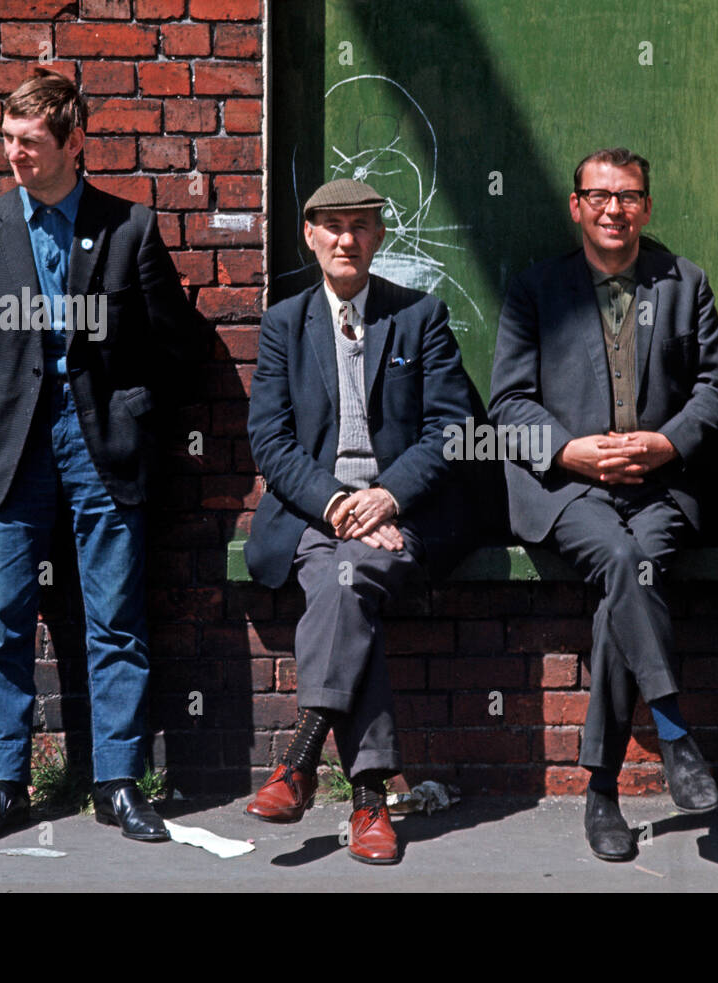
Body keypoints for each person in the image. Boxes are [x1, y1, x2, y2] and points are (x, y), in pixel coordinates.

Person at [0, 69, 212, 847]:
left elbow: (174, 349)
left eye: (30, 143)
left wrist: (133, 409)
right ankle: (0, 784)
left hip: (102, 446)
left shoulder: (129, 228)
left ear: (73, 141)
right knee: (2, 619)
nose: (15, 156)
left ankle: (118, 783)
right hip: (16, 444)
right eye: (8, 142)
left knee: (115, 617)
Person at [489, 148, 718, 861]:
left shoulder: (684, 283)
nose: (613, 208)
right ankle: (674, 730)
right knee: (626, 563)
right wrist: (570, 451)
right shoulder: (536, 289)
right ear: (576, 206)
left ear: (646, 206)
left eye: (628, 195)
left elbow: (717, 389)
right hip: (568, 490)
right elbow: (507, 401)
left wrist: (664, 443)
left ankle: (601, 791)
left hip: (661, 488)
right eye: (598, 195)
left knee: (624, 585)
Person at [244, 178, 473, 865]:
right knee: (346, 580)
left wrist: (388, 496)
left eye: (361, 226)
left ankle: (301, 757)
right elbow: (271, 439)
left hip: (399, 515)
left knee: (345, 583)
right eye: (332, 226)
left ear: (378, 236)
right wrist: (341, 505)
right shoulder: (285, 324)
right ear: (309, 236)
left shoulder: (419, 316)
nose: (347, 238)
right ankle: (370, 800)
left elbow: (453, 428)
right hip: (317, 511)